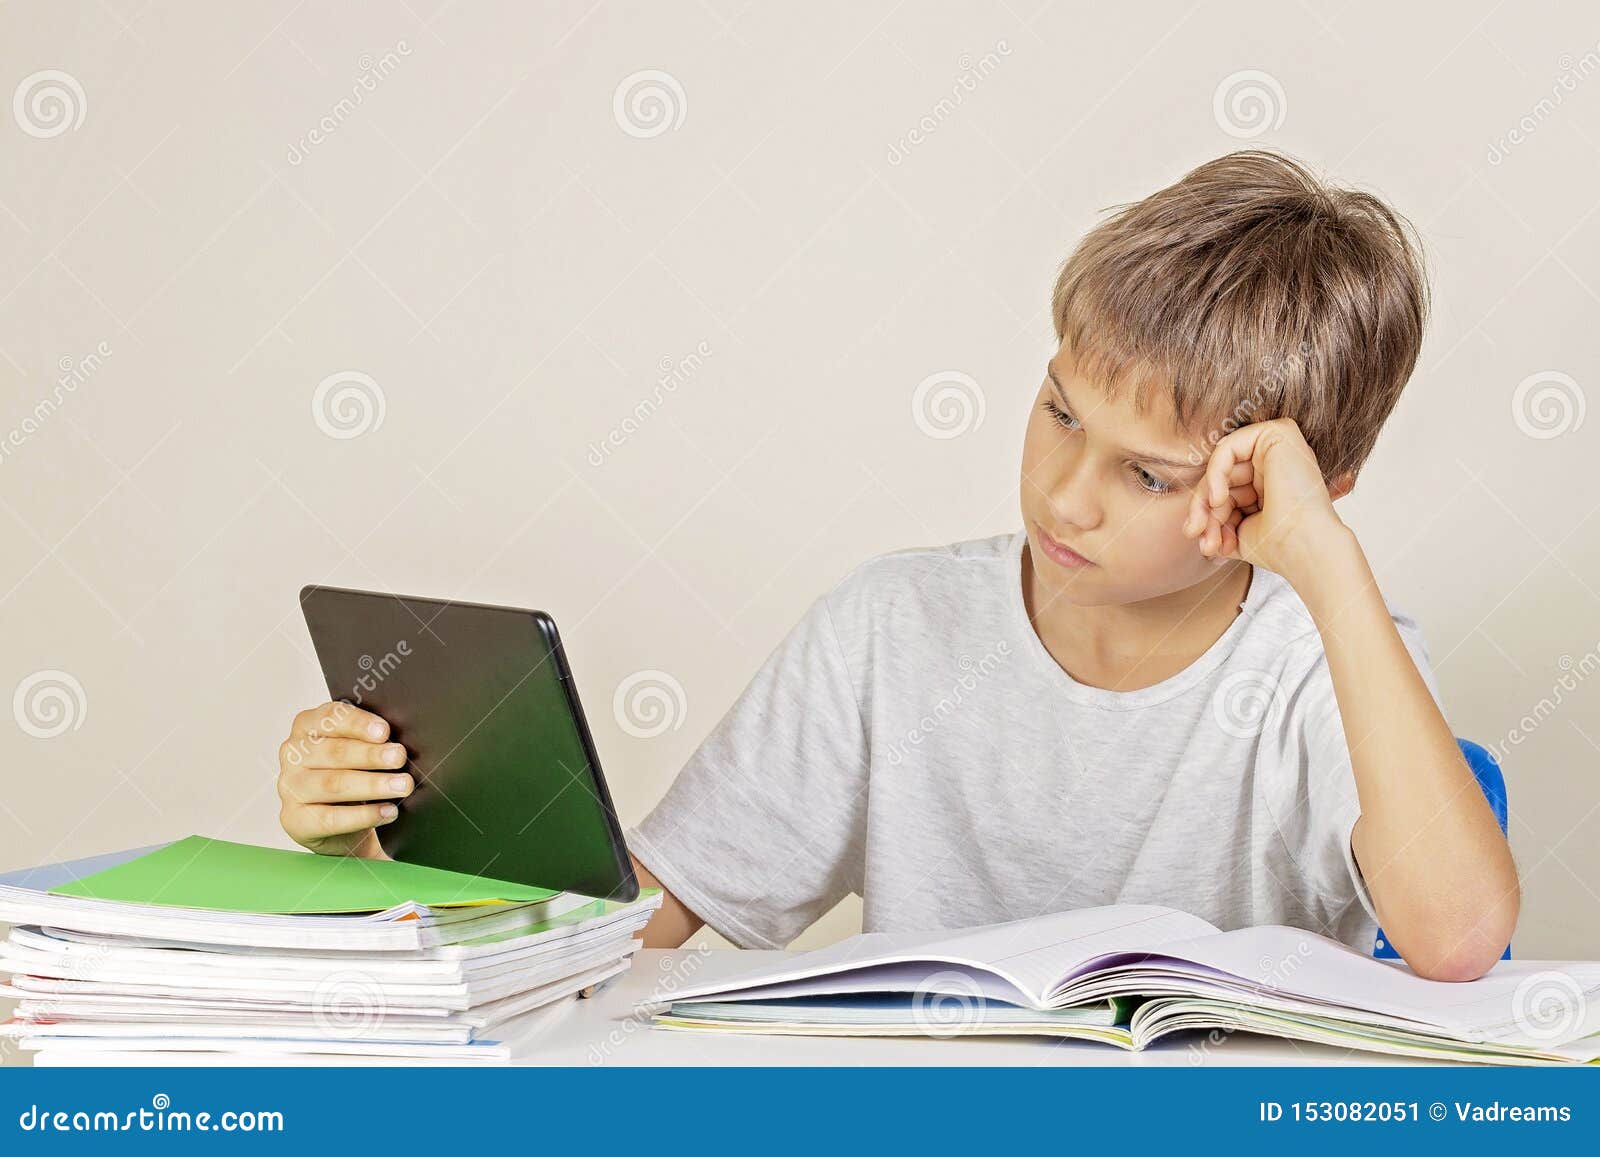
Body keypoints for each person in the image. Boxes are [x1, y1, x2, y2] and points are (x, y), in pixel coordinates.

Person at [276, 149, 1518, 981]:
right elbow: (618, 933)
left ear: (1295, 483)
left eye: (1148, 474)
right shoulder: (891, 627)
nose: (1062, 491)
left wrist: (1324, 561)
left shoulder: (1325, 668)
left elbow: (1457, 938)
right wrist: (378, 849)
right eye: (1059, 411)